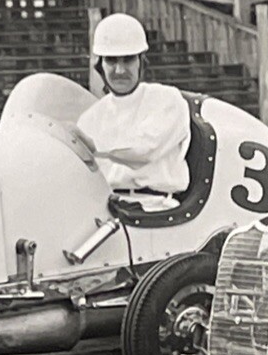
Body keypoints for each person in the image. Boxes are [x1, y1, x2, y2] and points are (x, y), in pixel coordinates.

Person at [75, 13, 191, 208]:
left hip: (157, 209)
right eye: (111, 61)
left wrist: (93, 146)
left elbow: (143, 151)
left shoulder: (167, 99)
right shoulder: (90, 117)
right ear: (100, 65)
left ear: (141, 61)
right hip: (106, 209)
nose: (120, 70)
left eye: (128, 60)